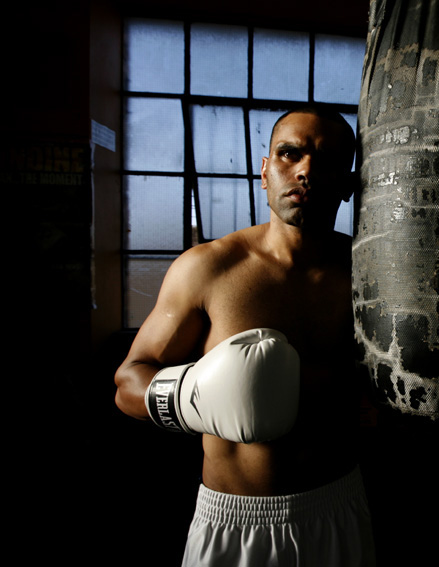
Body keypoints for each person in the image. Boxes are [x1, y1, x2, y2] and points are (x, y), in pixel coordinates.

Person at [114, 106, 375, 567]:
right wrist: (196, 398)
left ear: (349, 184)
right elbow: (128, 382)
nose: (306, 169)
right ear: (265, 172)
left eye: (327, 159)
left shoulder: (374, 276)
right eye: (289, 153)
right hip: (235, 521)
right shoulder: (209, 268)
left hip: (339, 504)